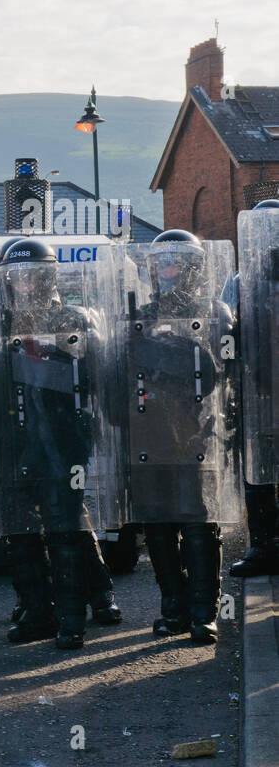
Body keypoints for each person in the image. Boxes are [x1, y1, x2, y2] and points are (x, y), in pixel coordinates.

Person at [0, 239, 121, 649]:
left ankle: (71, 616)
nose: (23, 284)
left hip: (64, 436)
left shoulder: (72, 317)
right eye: (16, 277)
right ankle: (42, 609)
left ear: (47, 278)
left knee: (63, 523)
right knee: (22, 527)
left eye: (31, 276)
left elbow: (96, 377)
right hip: (17, 437)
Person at [120, 230, 238, 645]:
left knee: (198, 523)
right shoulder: (142, 314)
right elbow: (126, 372)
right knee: (157, 527)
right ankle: (173, 607)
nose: (165, 272)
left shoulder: (215, 312)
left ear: (191, 269)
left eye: (173, 263)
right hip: (150, 434)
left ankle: (205, 612)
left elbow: (223, 375)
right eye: (160, 264)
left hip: (197, 433)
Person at [232, 199, 279, 578]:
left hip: (261, 392)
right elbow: (224, 335)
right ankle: (263, 545)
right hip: (256, 394)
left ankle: (265, 547)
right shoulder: (241, 281)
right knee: (258, 475)